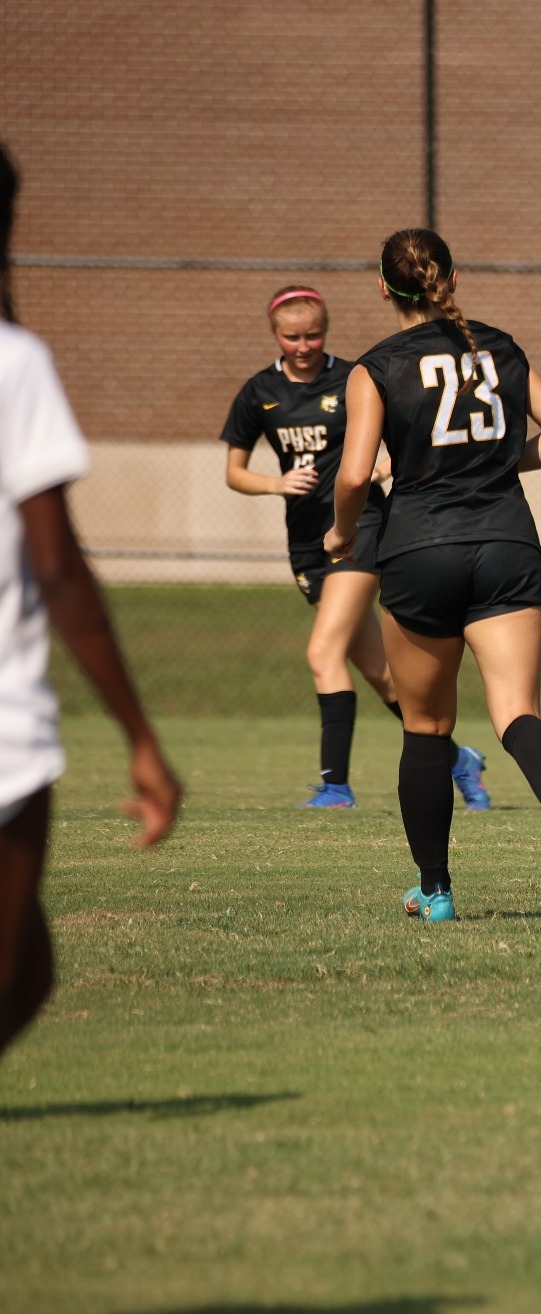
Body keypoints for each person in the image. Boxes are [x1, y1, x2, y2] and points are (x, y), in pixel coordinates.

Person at [326, 228, 541, 920]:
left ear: (383, 288)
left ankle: (436, 891)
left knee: (427, 726)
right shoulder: (499, 348)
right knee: (517, 711)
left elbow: (353, 475)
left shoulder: (374, 368)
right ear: (452, 277)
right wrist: (493, 466)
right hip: (506, 543)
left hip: (420, 550)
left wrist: (342, 532)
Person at [0, 143, 181, 1058]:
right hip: (3, 732)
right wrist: (140, 735)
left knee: (30, 969)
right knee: (13, 973)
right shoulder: (13, 364)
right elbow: (59, 569)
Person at [221, 286, 490, 813]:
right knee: (380, 673)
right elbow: (234, 472)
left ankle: (336, 787)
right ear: (275, 335)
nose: (303, 345)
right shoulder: (259, 392)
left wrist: (386, 465)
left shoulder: (354, 377)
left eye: (313, 335)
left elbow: (407, 432)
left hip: (359, 528)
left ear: (326, 330)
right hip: (305, 543)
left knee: (322, 654)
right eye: (292, 337)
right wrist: (276, 484)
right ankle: (460, 760)